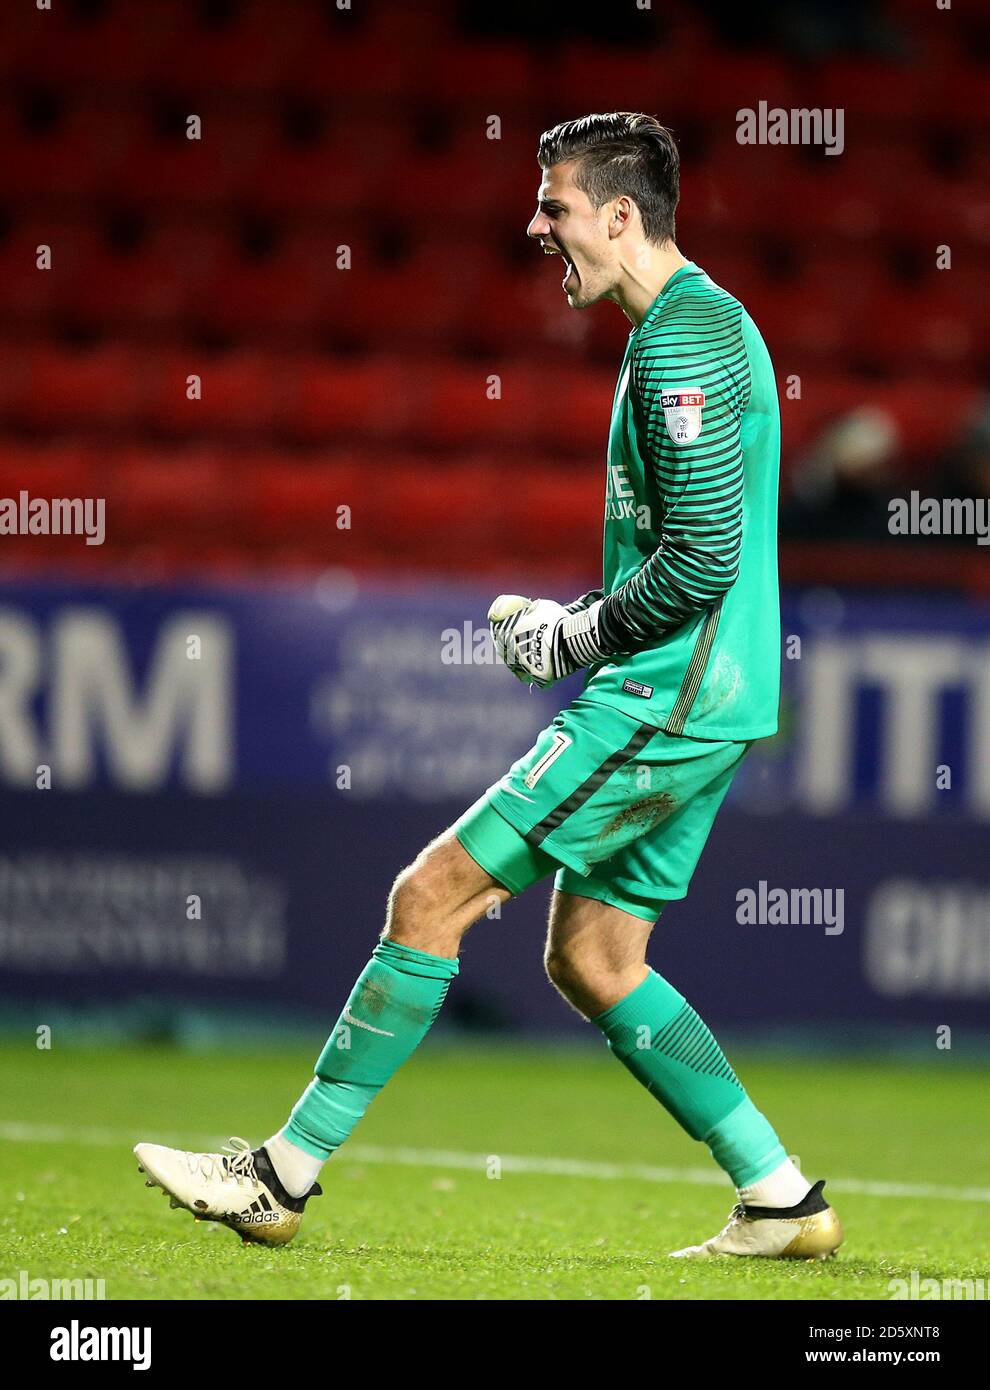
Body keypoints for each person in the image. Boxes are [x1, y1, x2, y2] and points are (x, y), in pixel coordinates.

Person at [135, 112, 842, 1261]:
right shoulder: (691, 327)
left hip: (669, 696)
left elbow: (707, 556)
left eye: (554, 206)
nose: (537, 226)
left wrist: (576, 637)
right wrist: (585, 627)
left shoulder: (687, 339)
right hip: (704, 695)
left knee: (431, 895)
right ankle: (778, 1196)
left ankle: (281, 1173)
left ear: (619, 215)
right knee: (597, 958)